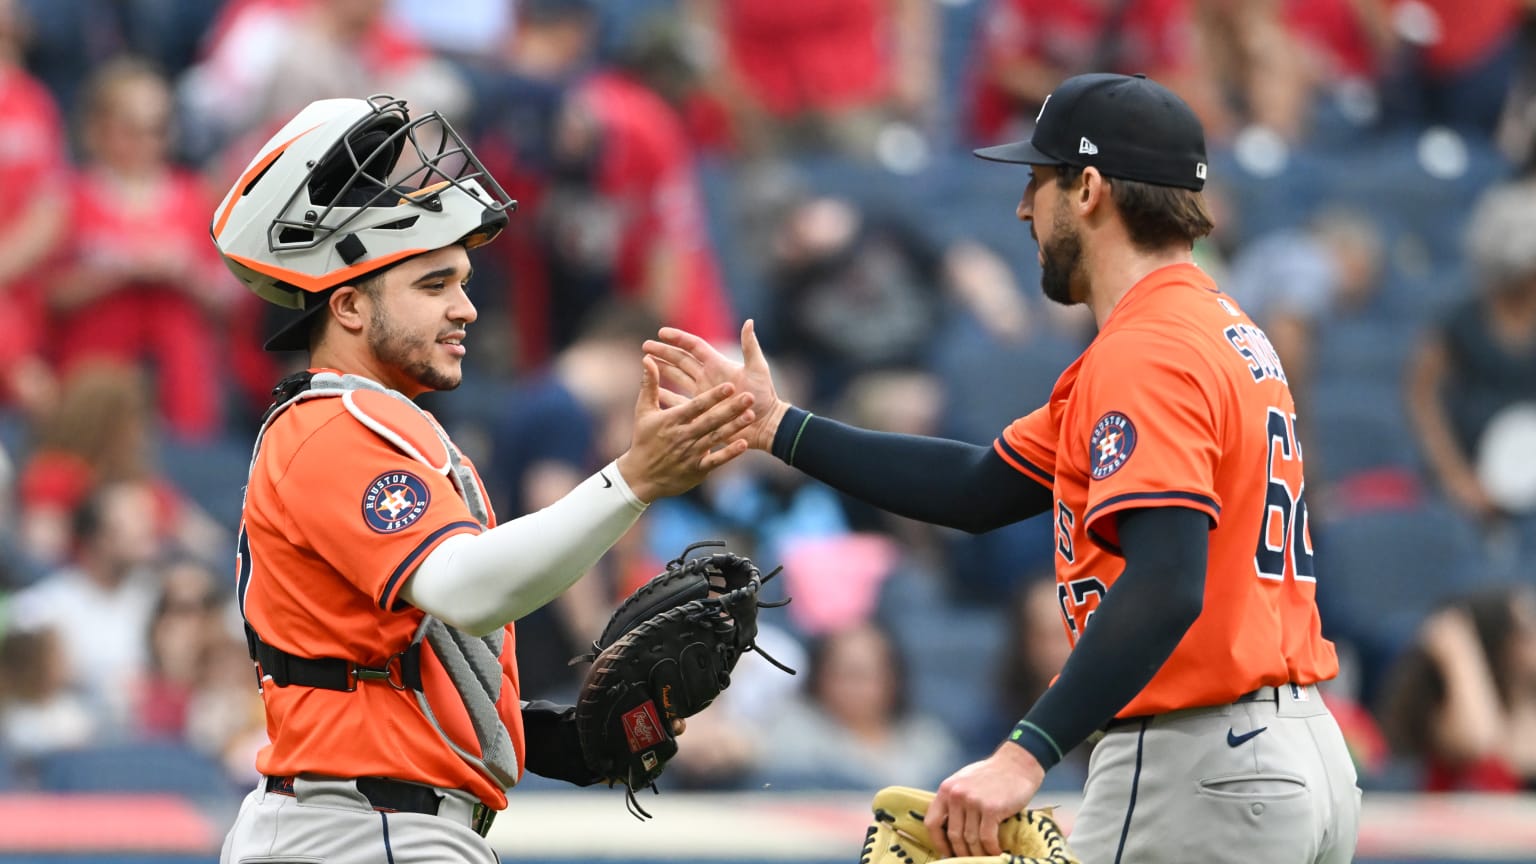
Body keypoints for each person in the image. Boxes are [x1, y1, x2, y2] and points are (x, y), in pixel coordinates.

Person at [645, 72, 1360, 862]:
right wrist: (776, 427)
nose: (1024, 209)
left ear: (1087, 188)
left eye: (1036, 181)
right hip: (1292, 754)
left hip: (1200, 761)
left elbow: (1164, 584)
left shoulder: (1146, 351)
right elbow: (979, 489)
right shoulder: (1218, 329)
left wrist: (1024, 754)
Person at [208, 93, 756, 862]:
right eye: (434, 285)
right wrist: (634, 479)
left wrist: (538, 735)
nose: (467, 308)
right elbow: (470, 592)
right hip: (365, 833)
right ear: (350, 305)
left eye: (463, 282)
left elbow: (389, 662)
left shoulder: (373, 424)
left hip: (370, 827)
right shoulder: (339, 425)